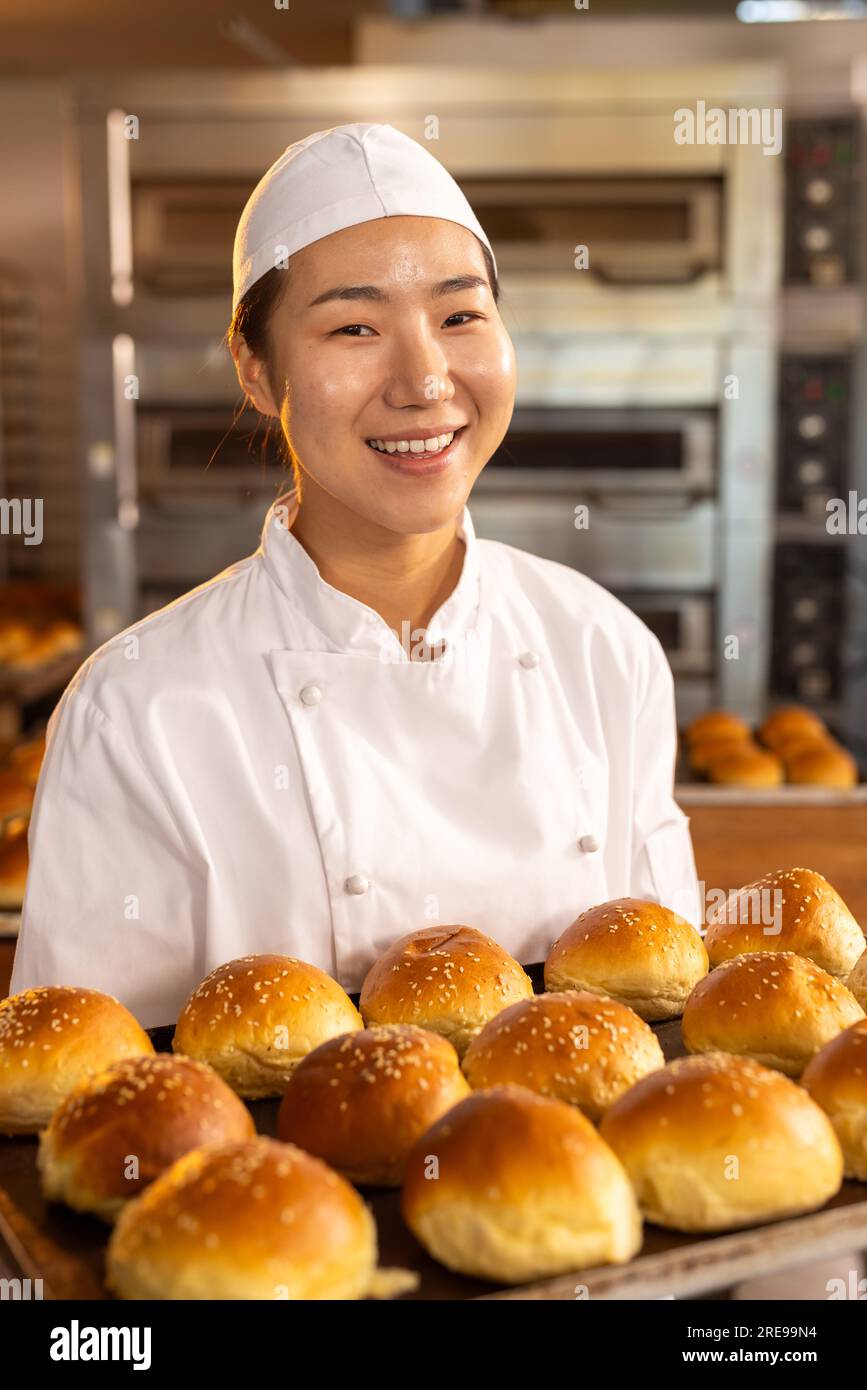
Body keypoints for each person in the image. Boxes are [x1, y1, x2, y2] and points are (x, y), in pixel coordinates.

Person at [10, 124, 700, 1027]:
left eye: (460, 316)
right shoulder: (140, 708)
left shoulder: (602, 651)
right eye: (354, 327)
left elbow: (666, 1016)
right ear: (258, 372)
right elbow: (86, 1095)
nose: (423, 381)